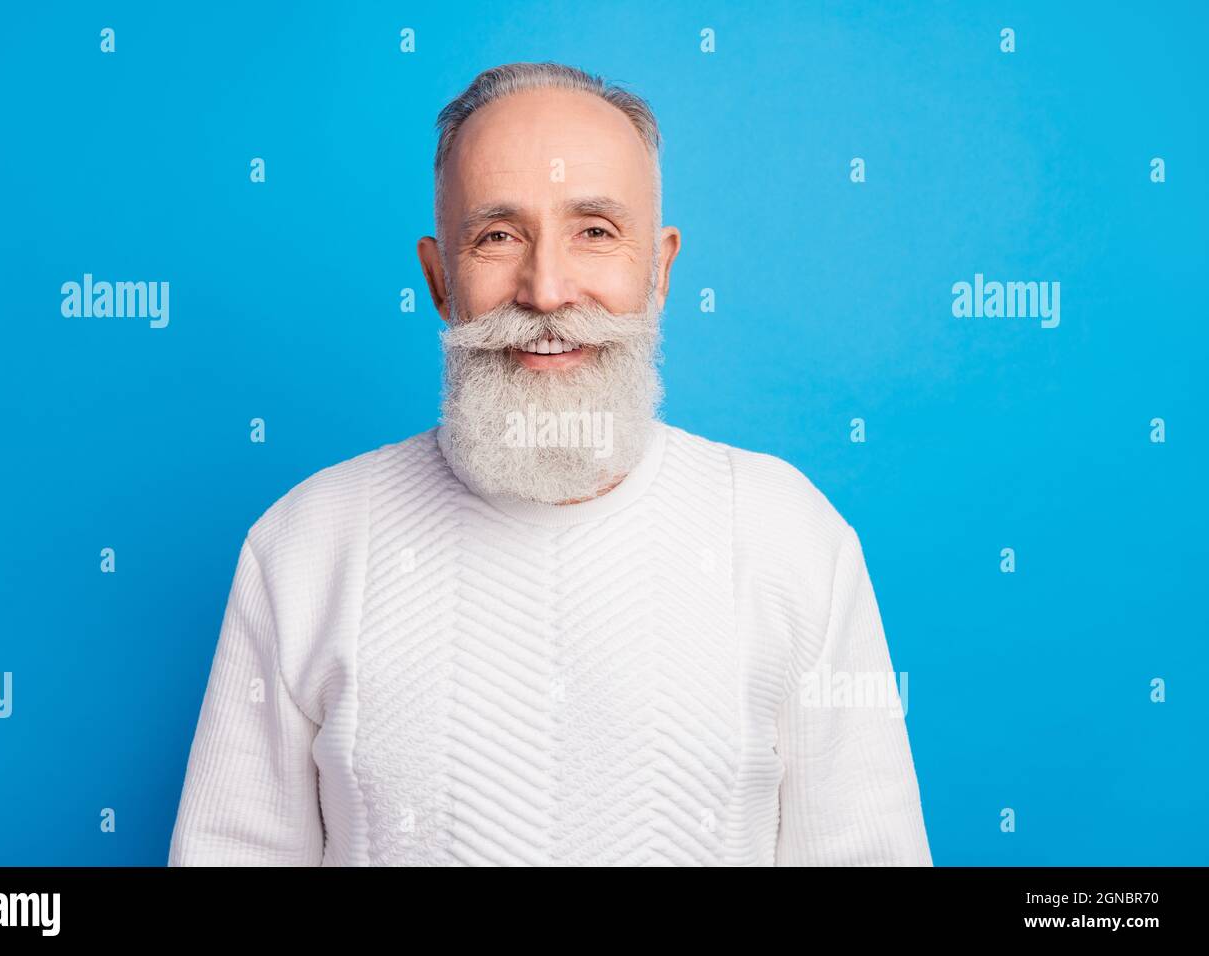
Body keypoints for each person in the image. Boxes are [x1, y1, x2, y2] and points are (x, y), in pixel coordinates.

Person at [167, 61, 933, 866]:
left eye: (595, 231)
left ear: (661, 269)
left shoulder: (789, 536)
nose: (546, 288)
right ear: (438, 279)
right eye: (498, 236)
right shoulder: (305, 544)